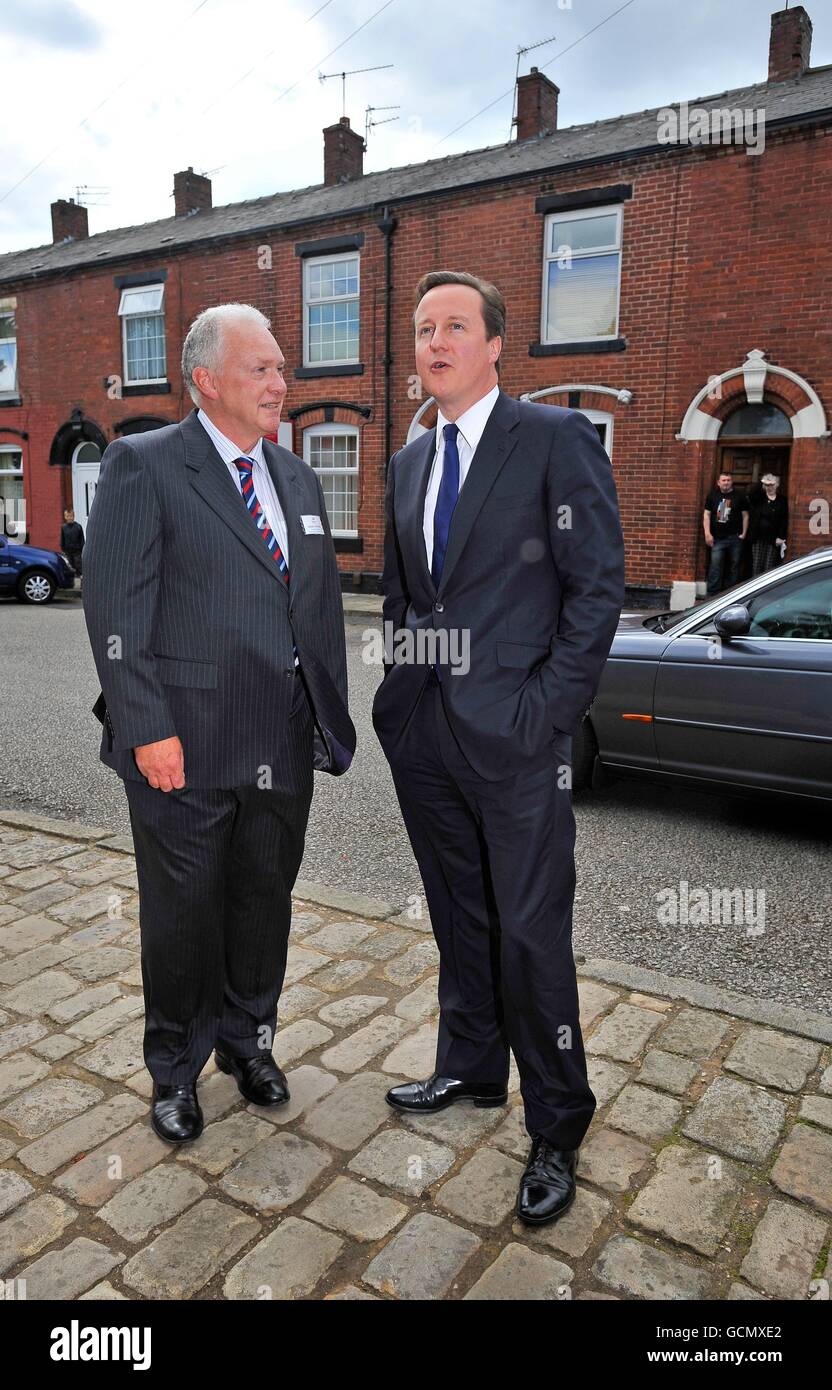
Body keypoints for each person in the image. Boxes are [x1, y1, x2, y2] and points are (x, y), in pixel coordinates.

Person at [372, 270, 625, 1227]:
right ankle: (472, 1071)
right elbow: (404, 597)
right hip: (426, 731)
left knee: (529, 930)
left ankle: (558, 1121)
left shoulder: (555, 440)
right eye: (422, 326)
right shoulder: (407, 462)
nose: (433, 340)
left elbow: (599, 590)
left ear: (492, 347)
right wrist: (403, 693)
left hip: (518, 737)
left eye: (453, 326)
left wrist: (546, 714)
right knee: (459, 913)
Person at [83, 303, 354, 1145]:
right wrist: (143, 726)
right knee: (181, 915)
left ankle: (249, 1042)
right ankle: (174, 1069)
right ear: (206, 381)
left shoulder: (298, 479)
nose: (283, 383)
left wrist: (325, 709)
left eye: (281, 368)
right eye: (262, 369)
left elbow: (313, 605)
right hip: (183, 747)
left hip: (281, 743)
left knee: (261, 905)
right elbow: (113, 607)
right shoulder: (146, 464)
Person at [703, 471, 749, 594]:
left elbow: (745, 515)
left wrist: (744, 533)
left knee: (734, 566)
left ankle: (731, 593)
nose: (726, 483)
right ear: (718, 482)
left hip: (735, 537)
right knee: (715, 566)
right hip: (717, 538)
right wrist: (707, 533)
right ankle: (712, 594)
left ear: (731, 482)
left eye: (728, 480)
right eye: (723, 480)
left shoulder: (740, 496)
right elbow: (706, 515)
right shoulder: (712, 495)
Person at [747, 473, 788, 576]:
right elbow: (751, 493)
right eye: (767, 485)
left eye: (772, 485)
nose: (770, 487)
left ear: (777, 485)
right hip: (758, 537)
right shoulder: (759, 498)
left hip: (773, 538)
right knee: (756, 565)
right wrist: (762, 482)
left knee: (768, 566)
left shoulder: (782, 500)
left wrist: (781, 537)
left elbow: (784, 519)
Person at [60, 508, 84, 577]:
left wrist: (81, 549)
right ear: (65, 517)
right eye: (67, 516)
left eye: (71, 516)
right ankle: (71, 581)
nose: (69, 518)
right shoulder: (63, 527)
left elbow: (82, 539)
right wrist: (63, 549)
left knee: (78, 565)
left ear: (74, 516)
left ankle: (82, 580)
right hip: (67, 551)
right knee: (69, 566)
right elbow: (62, 539)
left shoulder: (78, 527)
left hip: (77, 551)